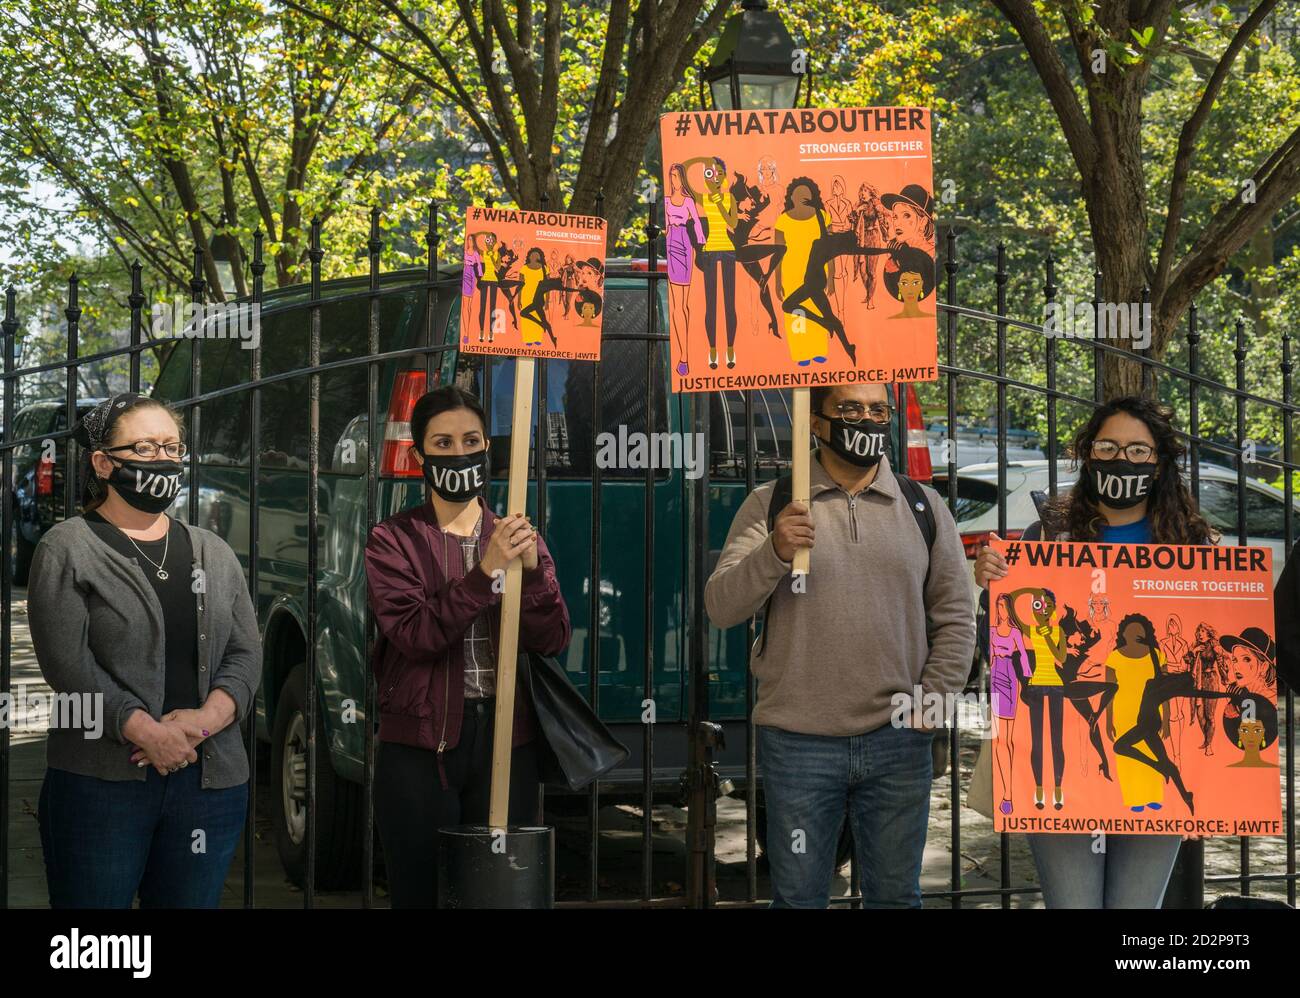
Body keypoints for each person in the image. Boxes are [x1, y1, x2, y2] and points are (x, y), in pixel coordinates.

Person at [705, 382, 974, 908]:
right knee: (800, 896)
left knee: (895, 897)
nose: (867, 419)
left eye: (878, 409)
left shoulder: (924, 507)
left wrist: (932, 700)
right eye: (850, 407)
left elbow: (957, 616)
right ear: (816, 420)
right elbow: (722, 606)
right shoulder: (772, 503)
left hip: (898, 740)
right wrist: (774, 552)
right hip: (798, 743)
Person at [975, 395, 1218, 908]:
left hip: (1155, 751)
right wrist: (993, 587)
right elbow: (1001, 642)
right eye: (1108, 446)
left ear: (1160, 462)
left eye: (1138, 450)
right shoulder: (1047, 536)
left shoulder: (1196, 546)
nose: (1121, 459)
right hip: (1069, 747)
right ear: (1087, 453)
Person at [28, 393, 261, 908]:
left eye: (172, 447)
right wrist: (146, 731)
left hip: (209, 782)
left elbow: (246, 654)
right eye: (146, 447)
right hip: (100, 783)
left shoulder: (213, 552)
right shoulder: (66, 548)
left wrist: (200, 725)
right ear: (104, 462)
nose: (164, 459)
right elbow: (67, 665)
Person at [364, 386, 571, 908]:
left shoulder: (515, 534)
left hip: (506, 738)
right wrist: (485, 573)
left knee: (499, 895)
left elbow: (552, 638)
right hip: (421, 747)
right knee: (421, 893)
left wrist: (535, 578)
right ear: (419, 456)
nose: (459, 453)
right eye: (443, 442)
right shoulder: (393, 540)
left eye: (471, 440)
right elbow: (415, 635)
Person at [682, 155, 739, 370]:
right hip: (709, 251)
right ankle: (713, 350)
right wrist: (701, 159)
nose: (715, 178)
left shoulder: (728, 199)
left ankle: (730, 349)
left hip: (728, 251)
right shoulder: (702, 198)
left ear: (724, 177)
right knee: (711, 303)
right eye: (711, 174)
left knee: (729, 303)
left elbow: (733, 223)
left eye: (720, 174)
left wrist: (720, 205)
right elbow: (684, 173)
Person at [989, 593, 1033, 815]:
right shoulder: (991, 631)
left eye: (1004, 606)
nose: (1001, 610)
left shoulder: (1015, 632)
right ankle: (1007, 794)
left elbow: (1024, 657)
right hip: (996, 675)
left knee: (1010, 738)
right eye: (998, 606)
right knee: (1000, 739)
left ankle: (1011, 791)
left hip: (1010, 676)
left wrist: (1028, 680)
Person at [665, 163, 704, 375]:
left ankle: (685, 355)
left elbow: (697, 223)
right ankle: (683, 357)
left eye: (677, 176)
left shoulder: (688, 201)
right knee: (675, 304)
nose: (674, 180)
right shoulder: (665, 201)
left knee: (684, 304)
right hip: (671, 241)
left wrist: (701, 242)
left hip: (684, 243)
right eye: (672, 176)